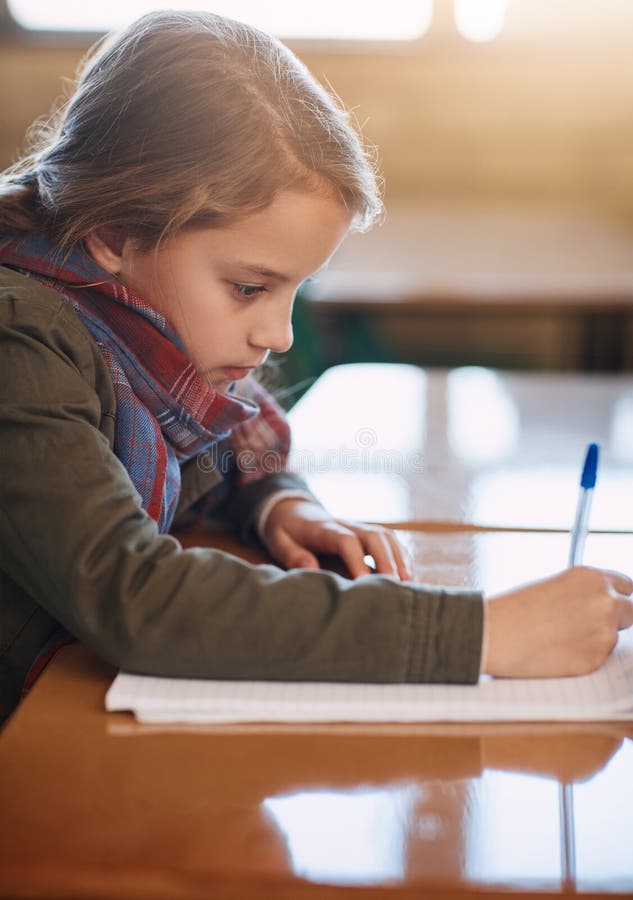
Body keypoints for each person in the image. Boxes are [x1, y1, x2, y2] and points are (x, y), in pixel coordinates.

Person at [0, 10, 631, 725]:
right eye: (249, 287)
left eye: (296, 289)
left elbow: (234, 448)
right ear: (114, 233)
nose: (277, 332)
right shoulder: (22, 344)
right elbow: (139, 601)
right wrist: (484, 634)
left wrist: (280, 503)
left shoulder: (144, 328)